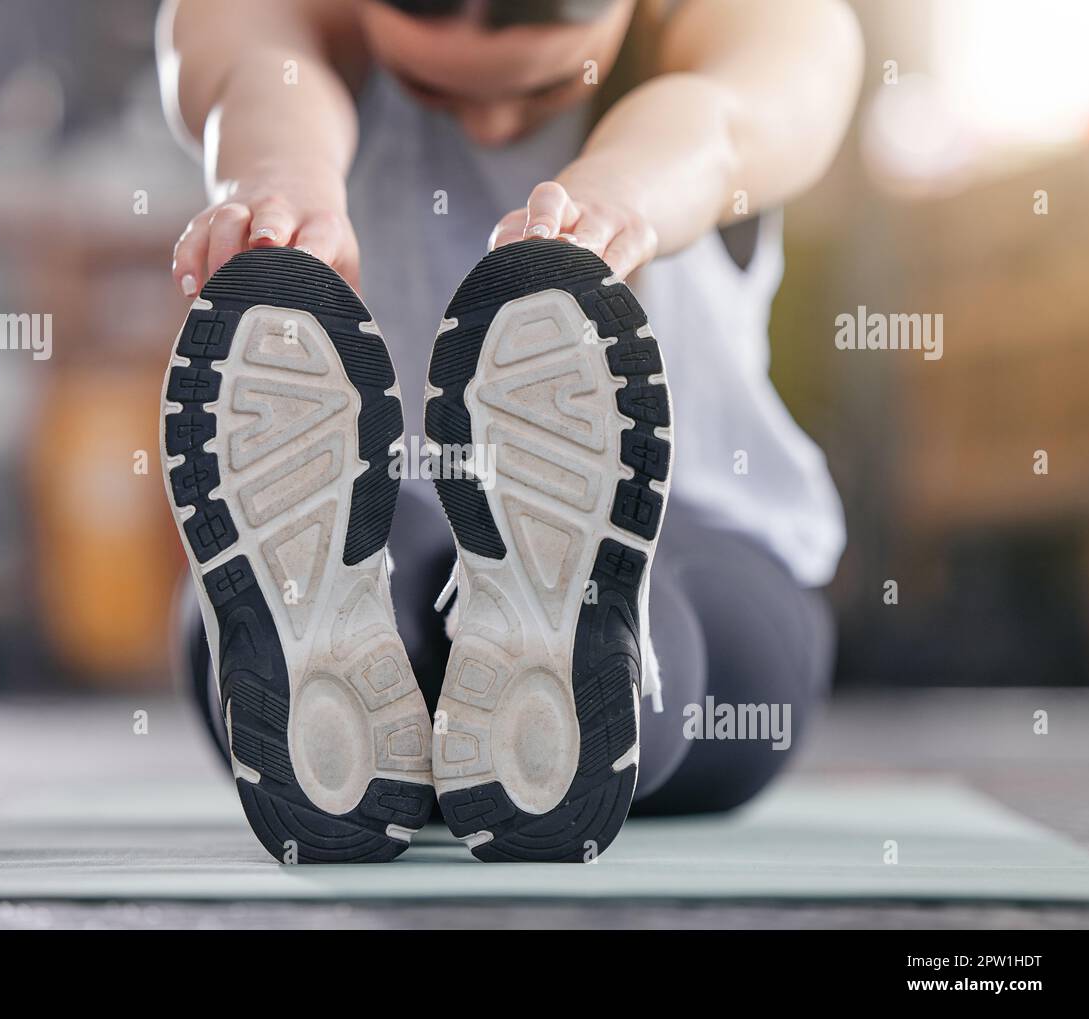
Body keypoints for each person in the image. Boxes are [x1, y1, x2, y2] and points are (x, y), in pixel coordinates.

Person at [157, 0, 862, 862]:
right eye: (429, 84)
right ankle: (483, 717)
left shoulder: (758, 21)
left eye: (546, 86)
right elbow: (251, 70)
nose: (489, 126)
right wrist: (278, 191)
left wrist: (617, 201)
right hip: (401, 517)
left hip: (704, 530)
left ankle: (539, 674)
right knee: (356, 577)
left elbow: (723, 123)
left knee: (650, 609)